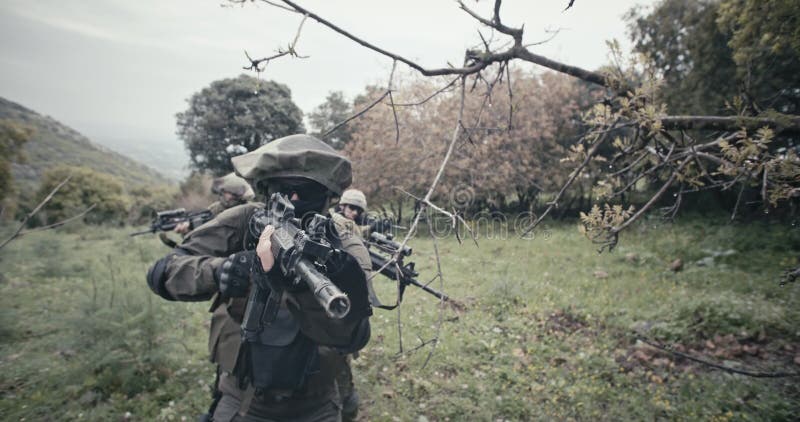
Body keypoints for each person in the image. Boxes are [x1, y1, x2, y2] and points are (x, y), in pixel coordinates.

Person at [146, 134, 372, 422]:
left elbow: (355, 335)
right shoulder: (244, 220)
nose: (293, 200)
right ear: (266, 190)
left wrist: (306, 290)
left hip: (315, 402)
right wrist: (219, 271)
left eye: (306, 191)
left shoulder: (344, 244)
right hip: (242, 397)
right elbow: (164, 271)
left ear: (328, 197)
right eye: (284, 190)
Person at [173, 173, 255, 235]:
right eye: (226, 191)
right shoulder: (215, 208)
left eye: (234, 194)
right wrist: (188, 231)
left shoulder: (249, 211)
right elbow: (205, 232)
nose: (228, 197)